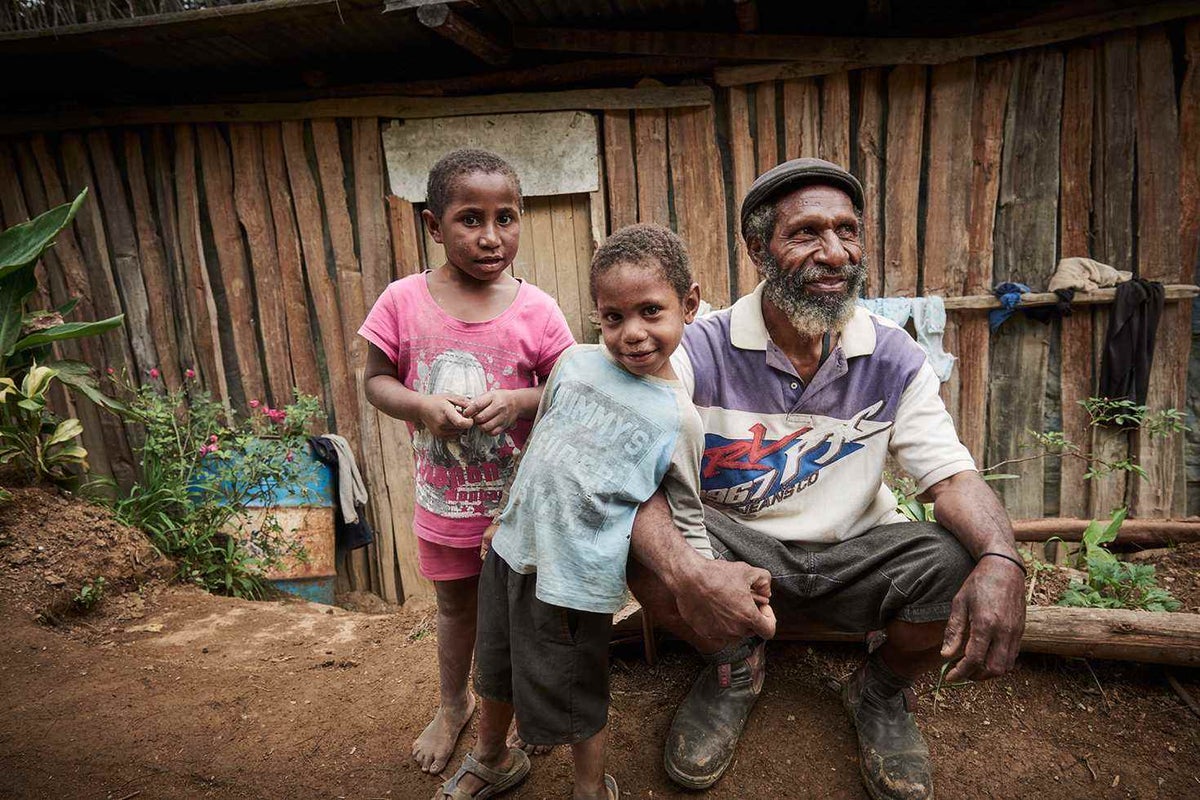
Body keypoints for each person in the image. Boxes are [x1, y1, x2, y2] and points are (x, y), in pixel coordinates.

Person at [627, 158, 1027, 800]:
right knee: (644, 546)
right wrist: (691, 571)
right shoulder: (700, 348)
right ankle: (735, 670)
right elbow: (634, 477)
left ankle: (880, 693)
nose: (835, 253)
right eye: (806, 233)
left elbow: (951, 479)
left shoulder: (893, 354)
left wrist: (1004, 559)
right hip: (739, 563)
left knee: (955, 557)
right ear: (758, 248)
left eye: (847, 231)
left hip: (854, 560)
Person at [436, 224, 712, 800]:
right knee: (495, 665)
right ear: (597, 317)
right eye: (613, 317)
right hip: (511, 552)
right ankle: (492, 757)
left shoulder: (678, 419)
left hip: (578, 576)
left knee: (578, 686)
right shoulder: (574, 364)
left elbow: (686, 509)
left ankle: (590, 786)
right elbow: (543, 445)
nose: (632, 333)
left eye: (651, 312)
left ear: (689, 304)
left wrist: (701, 583)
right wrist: (505, 512)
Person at [359, 149, 575, 776]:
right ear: (433, 225)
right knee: (455, 608)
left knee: (531, 612)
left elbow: (569, 390)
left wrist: (519, 400)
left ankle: (529, 708)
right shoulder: (403, 300)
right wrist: (422, 405)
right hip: (444, 501)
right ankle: (454, 705)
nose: (490, 237)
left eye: (505, 218)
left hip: (520, 507)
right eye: (469, 219)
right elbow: (375, 381)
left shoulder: (537, 308)